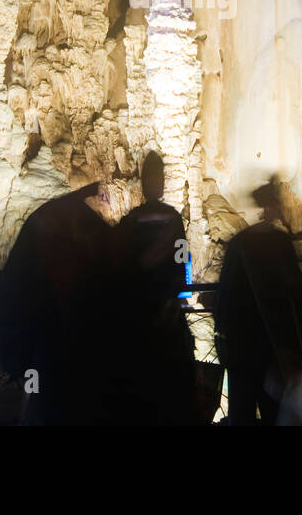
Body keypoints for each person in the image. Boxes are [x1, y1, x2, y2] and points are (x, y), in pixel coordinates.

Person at [0, 182, 115, 425]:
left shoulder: (46, 224)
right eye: (103, 200)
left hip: (45, 347)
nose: (106, 206)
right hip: (58, 349)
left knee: (39, 397)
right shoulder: (74, 231)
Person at [213, 178, 302, 425]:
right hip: (271, 346)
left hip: (241, 345)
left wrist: (223, 330)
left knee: (241, 411)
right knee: (273, 412)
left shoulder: (239, 242)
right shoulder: (279, 242)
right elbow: (293, 293)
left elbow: (224, 292)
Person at [110, 152, 196, 424]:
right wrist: (182, 289)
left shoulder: (132, 220)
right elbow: (182, 257)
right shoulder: (171, 219)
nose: (156, 183)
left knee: (143, 380)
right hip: (165, 309)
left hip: (138, 312)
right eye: (154, 177)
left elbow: (122, 264)